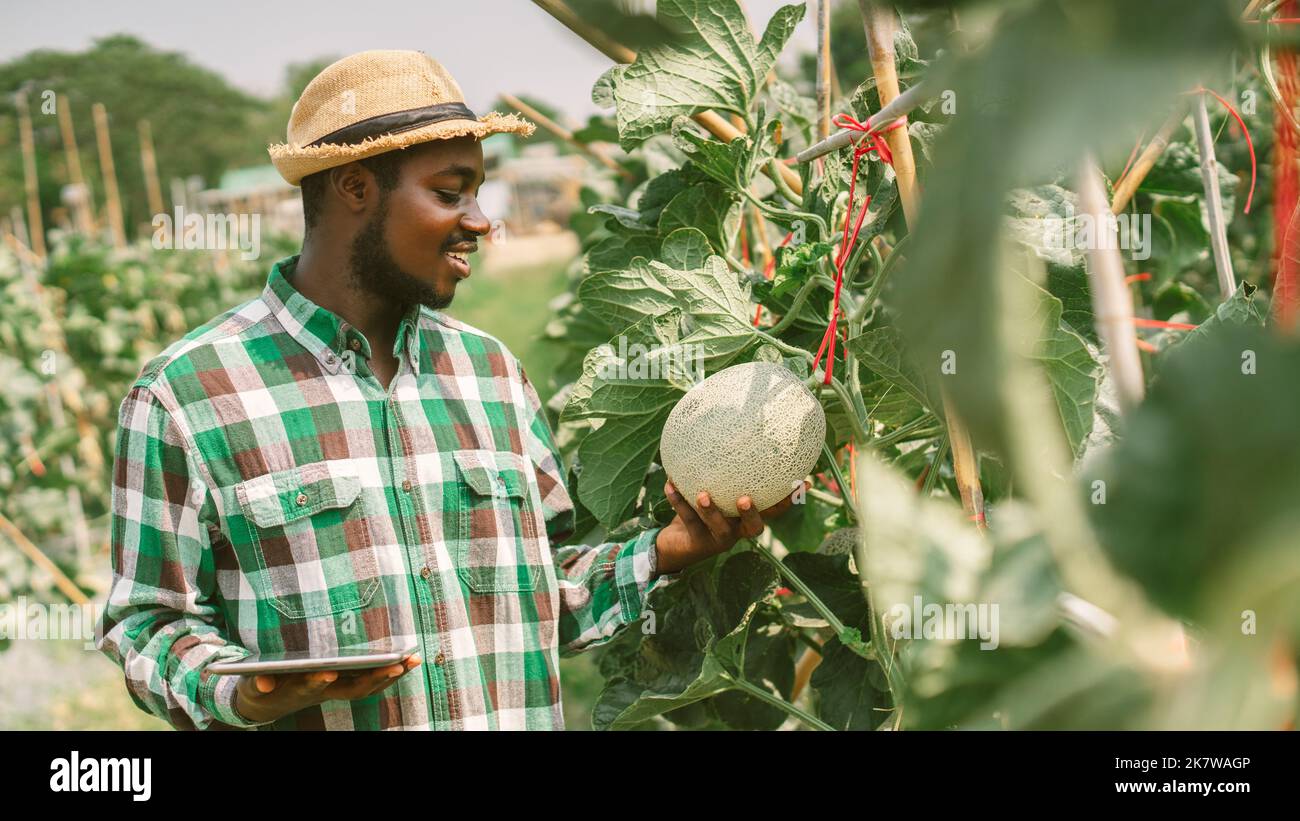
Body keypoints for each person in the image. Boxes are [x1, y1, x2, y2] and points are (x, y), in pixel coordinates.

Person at [96, 50, 798, 730]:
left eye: (477, 191)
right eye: (448, 191)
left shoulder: (490, 375)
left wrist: (670, 548)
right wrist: (246, 696)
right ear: (355, 187)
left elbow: (546, 592)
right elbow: (147, 624)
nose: (481, 220)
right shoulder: (189, 394)